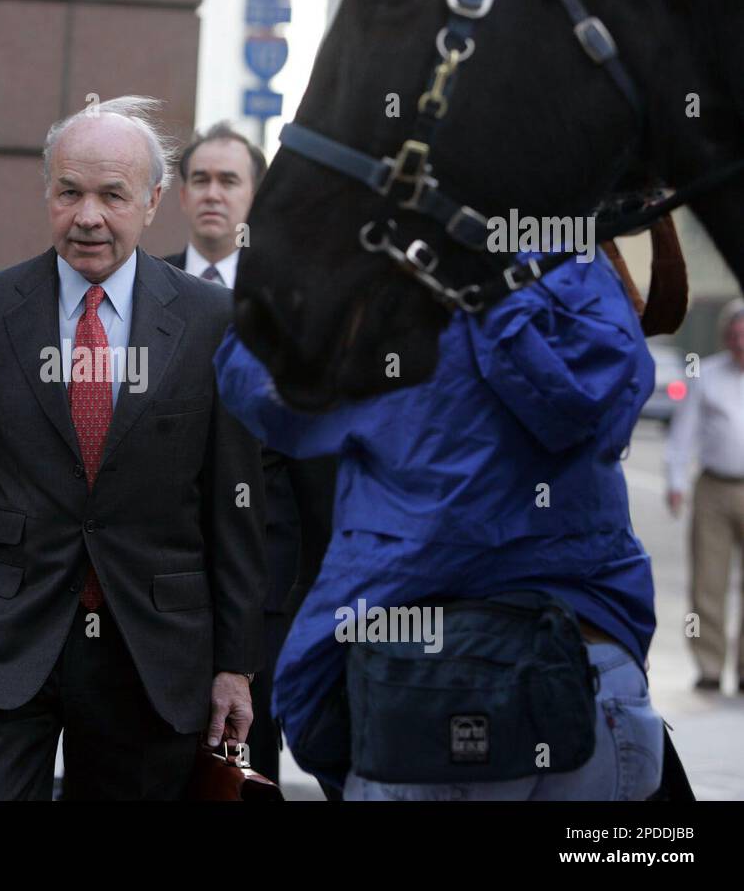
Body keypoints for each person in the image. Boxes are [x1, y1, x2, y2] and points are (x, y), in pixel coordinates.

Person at [0, 96, 266, 801]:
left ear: (153, 199)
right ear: (47, 191)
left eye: (112, 195)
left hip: (153, 650)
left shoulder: (211, 322)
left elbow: (235, 506)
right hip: (5, 639)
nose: (88, 217)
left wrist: (235, 664)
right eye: (69, 192)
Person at [217, 241, 665, 800]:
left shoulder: (379, 286)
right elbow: (610, 389)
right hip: (593, 663)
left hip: (424, 685)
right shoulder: (574, 264)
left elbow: (257, 390)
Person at [164, 121, 335, 783]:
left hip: (268, 576)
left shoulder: (292, 304)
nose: (213, 193)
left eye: (229, 181)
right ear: (179, 194)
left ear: (256, 196)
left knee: (246, 755)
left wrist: (313, 591)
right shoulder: (141, 289)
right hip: (164, 570)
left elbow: (314, 464)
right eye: (200, 179)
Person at [666, 298, 744, 693]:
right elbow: (684, 432)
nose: (738, 341)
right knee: (708, 581)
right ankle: (709, 664)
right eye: (733, 334)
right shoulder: (707, 375)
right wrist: (676, 481)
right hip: (714, 486)